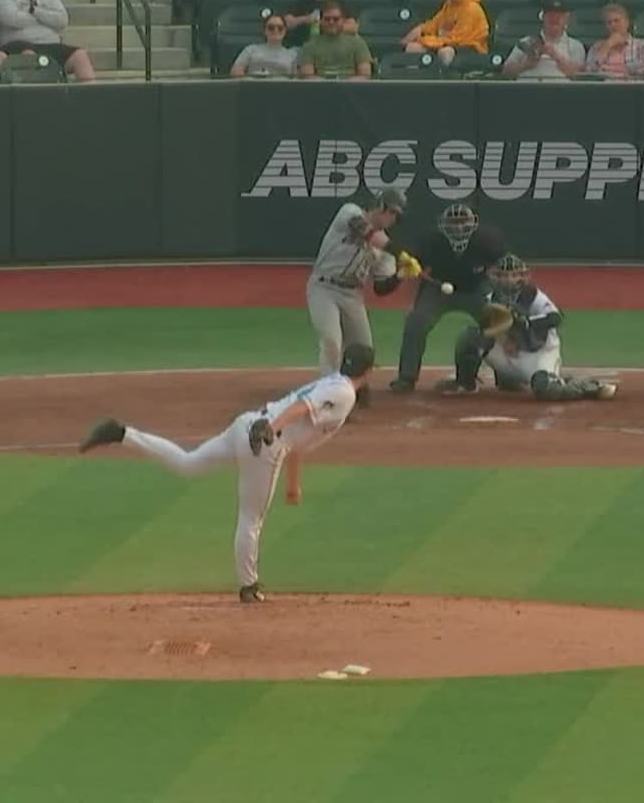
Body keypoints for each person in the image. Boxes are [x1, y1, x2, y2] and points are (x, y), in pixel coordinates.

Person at [77, 344, 378, 604]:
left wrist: (293, 484)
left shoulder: (332, 382)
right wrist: (270, 431)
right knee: (251, 517)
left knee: (188, 463)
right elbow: (301, 409)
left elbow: (303, 435)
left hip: (245, 425)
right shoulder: (343, 393)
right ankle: (248, 586)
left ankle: (122, 434)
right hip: (265, 441)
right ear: (369, 371)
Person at [436, 254, 617, 401]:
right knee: (469, 337)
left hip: (537, 353)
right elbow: (487, 325)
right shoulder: (490, 297)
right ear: (495, 277)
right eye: (504, 275)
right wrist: (505, 337)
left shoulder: (533, 295)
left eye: (514, 275)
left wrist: (526, 322)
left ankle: (586, 386)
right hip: (507, 353)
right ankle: (466, 383)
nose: (509, 280)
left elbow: (555, 318)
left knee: (545, 389)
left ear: (523, 276)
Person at [386, 203, 507, 392]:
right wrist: (411, 303)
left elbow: (500, 271)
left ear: (473, 224)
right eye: (453, 222)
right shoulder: (430, 242)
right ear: (443, 224)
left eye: (462, 222)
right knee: (415, 324)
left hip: (476, 289)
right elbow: (415, 271)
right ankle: (406, 378)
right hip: (437, 288)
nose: (458, 227)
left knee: (499, 323)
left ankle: (505, 375)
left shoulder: (487, 241)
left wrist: (497, 298)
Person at [305, 188, 406, 390]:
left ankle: (353, 389)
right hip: (324, 288)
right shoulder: (350, 212)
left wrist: (401, 275)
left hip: (352, 295)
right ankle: (327, 394)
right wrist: (401, 253)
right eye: (391, 212)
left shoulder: (385, 251)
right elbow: (366, 232)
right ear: (380, 206)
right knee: (332, 342)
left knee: (364, 350)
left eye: (396, 215)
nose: (392, 218)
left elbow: (381, 288)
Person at [0, 0, 95, 81]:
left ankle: (89, 96)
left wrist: (34, 11)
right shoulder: (5, 0)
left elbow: (62, 21)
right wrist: (47, 18)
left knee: (80, 56)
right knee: (28, 55)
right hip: (17, 46)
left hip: (50, 45)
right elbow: (14, 19)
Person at [401, 0, 488, 66]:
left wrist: (425, 41)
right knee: (413, 48)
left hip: (470, 47)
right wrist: (420, 30)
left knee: (445, 52)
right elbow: (434, 25)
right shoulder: (449, 5)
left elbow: (458, 39)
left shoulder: (472, 8)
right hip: (445, 43)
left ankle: (445, 78)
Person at [501, 0, 585, 80]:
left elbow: (578, 75)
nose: (554, 19)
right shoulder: (526, 42)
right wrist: (526, 64)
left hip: (560, 91)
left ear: (567, 19)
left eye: (559, 16)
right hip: (527, 90)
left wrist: (555, 55)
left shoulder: (575, 46)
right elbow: (506, 72)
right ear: (543, 17)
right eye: (550, 15)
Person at [296, 0, 371, 79]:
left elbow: (365, 75)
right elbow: (308, 76)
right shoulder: (309, 46)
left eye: (336, 19)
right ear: (320, 21)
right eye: (327, 19)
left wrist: (343, 85)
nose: (331, 22)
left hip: (352, 89)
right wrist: (329, 86)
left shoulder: (358, 43)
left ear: (343, 20)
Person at [583, 3, 644, 80]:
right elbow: (589, 71)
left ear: (627, 22)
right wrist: (607, 46)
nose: (613, 25)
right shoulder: (597, 46)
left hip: (633, 88)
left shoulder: (642, 45)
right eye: (609, 23)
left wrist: (611, 69)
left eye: (616, 21)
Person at [230, 13, 298, 78]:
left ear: (285, 31)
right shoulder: (250, 50)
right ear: (264, 31)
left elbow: (296, 80)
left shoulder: (292, 54)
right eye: (271, 27)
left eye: (280, 28)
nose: (275, 30)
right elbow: (235, 72)